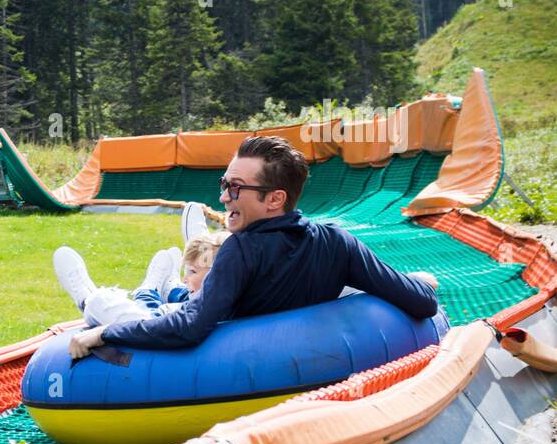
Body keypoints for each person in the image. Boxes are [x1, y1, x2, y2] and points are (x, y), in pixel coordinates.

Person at [67, 135, 441, 358]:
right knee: (187, 285)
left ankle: (90, 297)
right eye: (224, 183)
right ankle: (176, 269)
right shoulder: (337, 242)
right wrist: (413, 282)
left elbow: (188, 328)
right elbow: (423, 302)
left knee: (115, 308)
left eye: (234, 189)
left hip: (203, 323)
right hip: (224, 298)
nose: (224, 196)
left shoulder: (241, 250)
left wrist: (102, 334)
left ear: (275, 199)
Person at [55, 229, 230, 328]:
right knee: (179, 296)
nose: (186, 279)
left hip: (157, 321)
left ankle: (88, 299)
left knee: (100, 302)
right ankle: (161, 288)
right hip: (171, 312)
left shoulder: (210, 308)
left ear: (215, 276)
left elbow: (149, 325)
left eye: (192, 271)